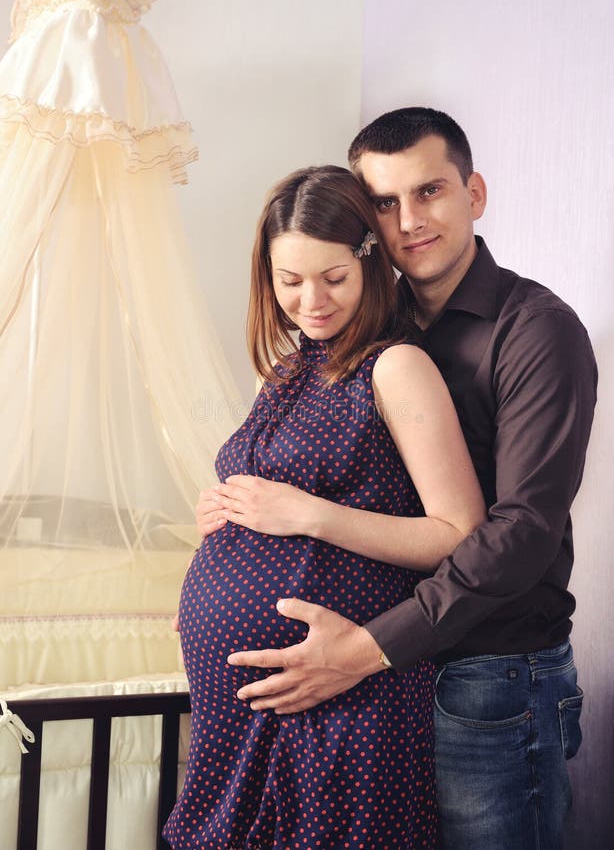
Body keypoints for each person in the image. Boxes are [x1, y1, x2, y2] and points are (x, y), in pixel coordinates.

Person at [202, 110, 598, 849]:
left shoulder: (535, 331)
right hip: (388, 683)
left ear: (474, 193)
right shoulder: (369, 331)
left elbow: (521, 534)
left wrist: (371, 646)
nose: (408, 220)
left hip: (488, 676)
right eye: (384, 202)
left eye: (430, 191)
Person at [164, 164, 487, 848]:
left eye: (333, 278)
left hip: (341, 695)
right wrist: (220, 525)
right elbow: (264, 498)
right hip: (247, 706)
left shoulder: (396, 368)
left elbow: (459, 533)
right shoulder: (284, 370)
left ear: (370, 262)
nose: (311, 301)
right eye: (290, 281)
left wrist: (307, 514)